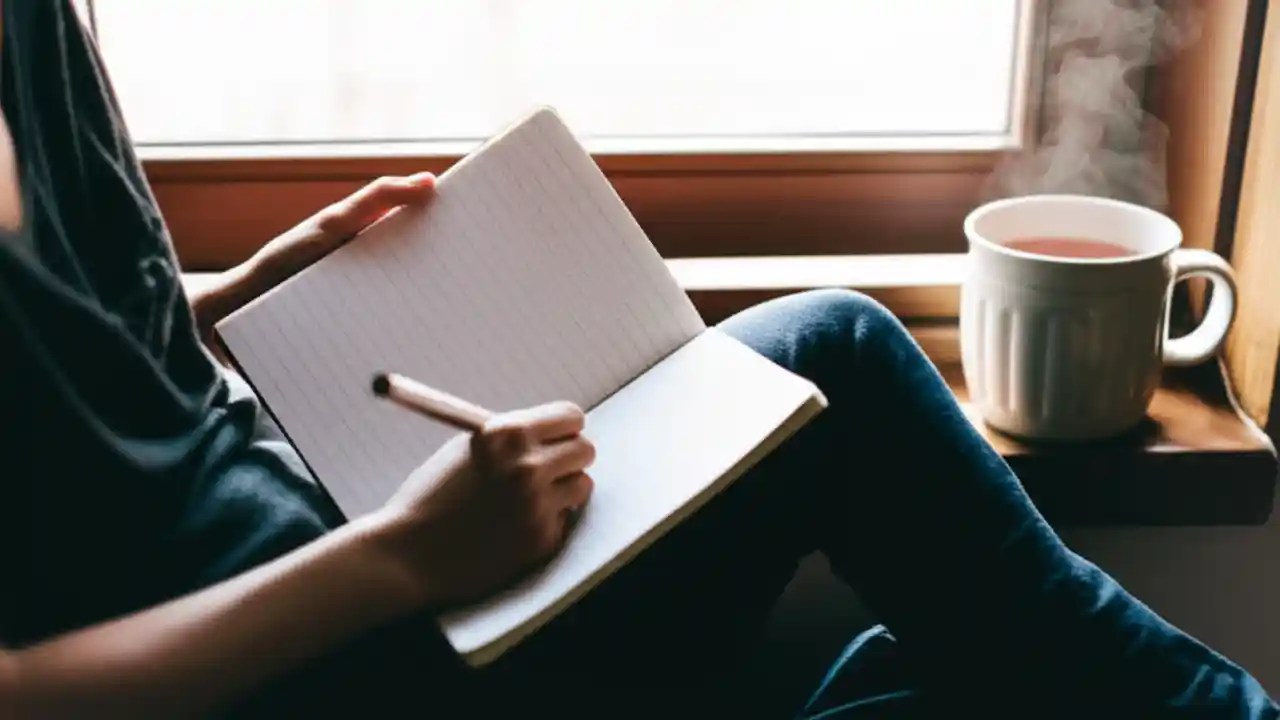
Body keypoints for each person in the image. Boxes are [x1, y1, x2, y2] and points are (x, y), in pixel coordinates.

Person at [1, 2, 1275, 718]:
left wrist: (242, 292)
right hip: (307, 642)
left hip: (323, 508)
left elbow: (57, 367)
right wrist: (399, 558)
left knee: (948, 667)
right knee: (838, 361)